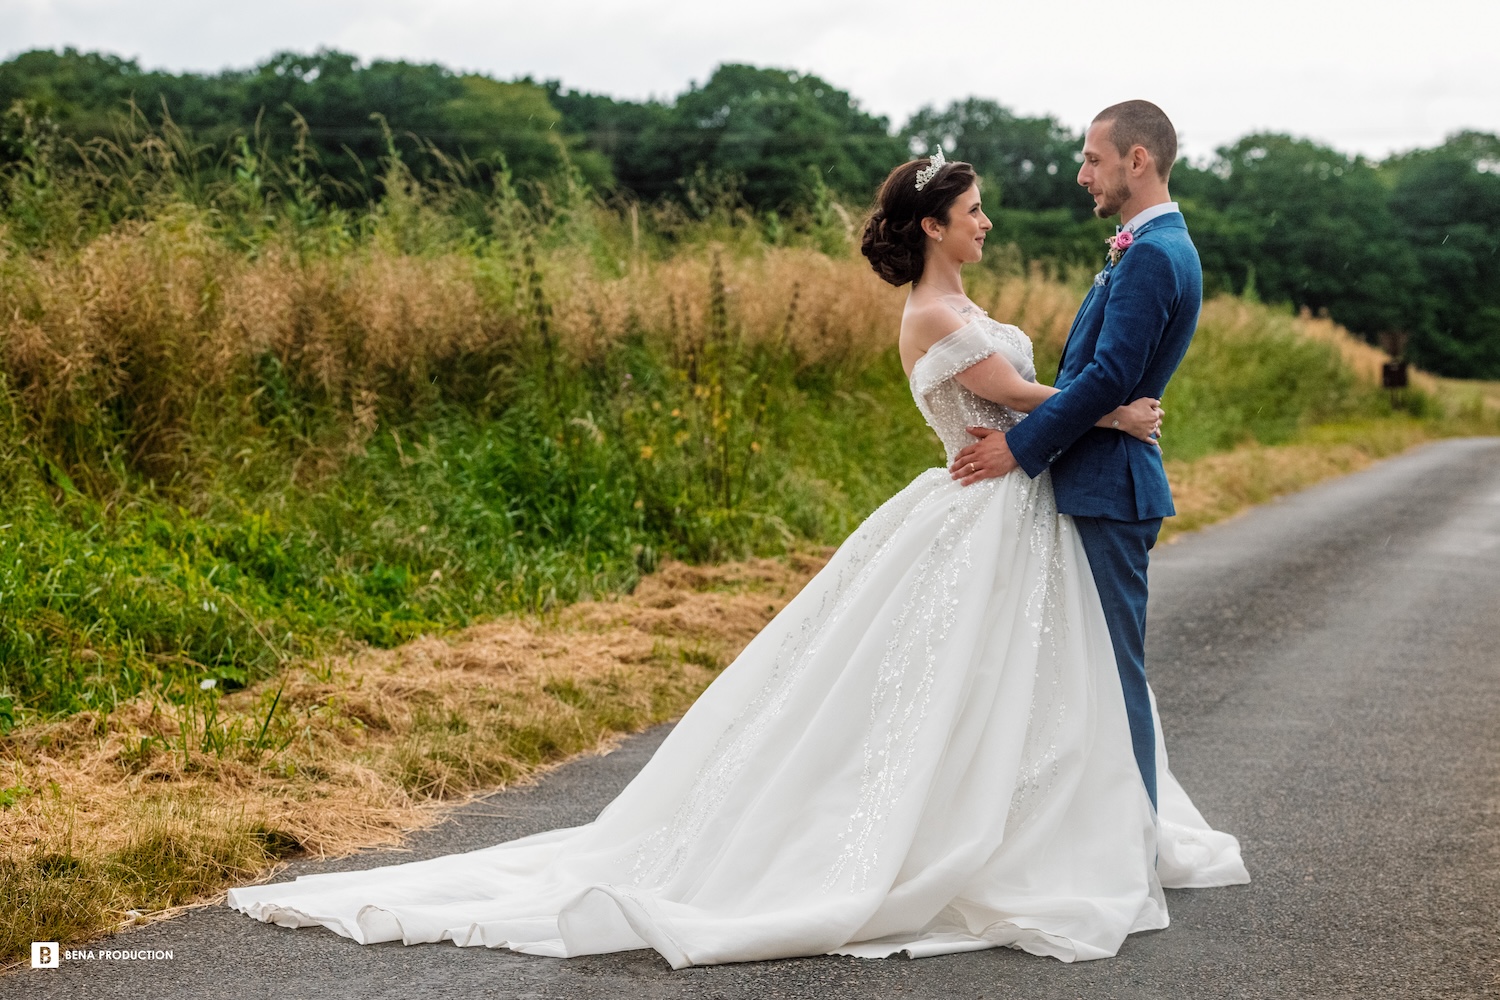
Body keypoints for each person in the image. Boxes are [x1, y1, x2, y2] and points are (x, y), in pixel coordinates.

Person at [227, 141, 1248, 970]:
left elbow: (1039, 388)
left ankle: (1052, 819)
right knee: (938, 687)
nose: (987, 222)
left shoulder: (969, 301)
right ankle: (963, 833)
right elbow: (1026, 398)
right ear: (932, 225)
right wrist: (1112, 408)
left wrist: (1090, 407)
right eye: (973, 211)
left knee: (1013, 682)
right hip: (982, 493)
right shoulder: (935, 315)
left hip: (1010, 504)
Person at [951, 100, 1201, 812]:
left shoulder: (1152, 253)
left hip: (1109, 488)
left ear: (1137, 160)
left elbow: (1108, 377)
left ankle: (1135, 837)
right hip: (1100, 479)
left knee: (1113, 672)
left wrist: (1018, 448)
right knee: (1088, 672)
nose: (1081, 173)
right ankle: (1105, 830)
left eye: (1093, 158)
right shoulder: (1149, 245)